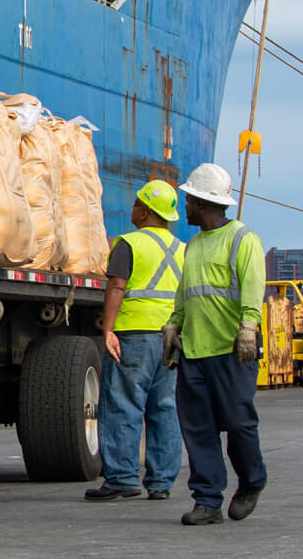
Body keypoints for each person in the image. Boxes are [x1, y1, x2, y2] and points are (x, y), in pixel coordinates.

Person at [161, 163, 267, 526]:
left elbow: (253, 286)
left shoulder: (242, 239)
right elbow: (185, 294)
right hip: (194, 353)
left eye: (188, 200)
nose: (184, 207)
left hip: (233, 351)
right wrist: (174, 325)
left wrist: (249, 328)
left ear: (202, 203)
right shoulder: (193, 246)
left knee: (239, 424)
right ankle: (207, 501)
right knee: (199, 430)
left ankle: (252, 482)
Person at [85, 180, 185, 502]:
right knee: (165, 408)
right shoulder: (183, 249)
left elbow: (116, 287)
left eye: (135, 204)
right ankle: (161, 483)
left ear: (143, 210)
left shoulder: (129, 244)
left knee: (122, 406)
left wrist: (108, 330)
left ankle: (123, 478)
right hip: (170, 336)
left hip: (134, 335)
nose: (132, 209)